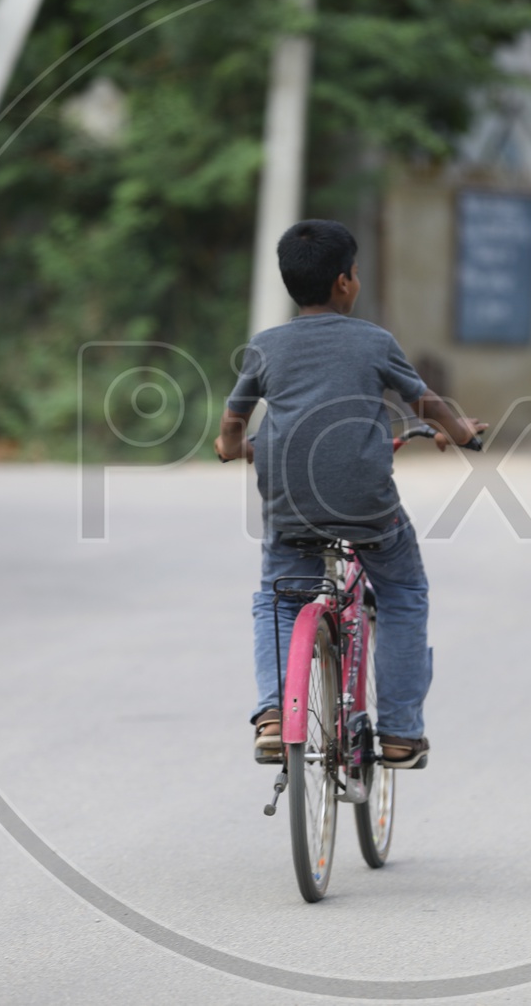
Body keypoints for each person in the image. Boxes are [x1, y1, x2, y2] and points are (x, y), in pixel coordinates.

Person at [216, 219, 486, 769]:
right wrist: (461, 434)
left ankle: (273, 714)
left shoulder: (266, 346)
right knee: (404, 591)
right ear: (344, 283)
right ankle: (401, 734)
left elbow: (233, 417)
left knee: (278, 596)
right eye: (356, 272)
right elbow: (425, 402)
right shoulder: (373, 341)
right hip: (369, 510)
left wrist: (230, 448)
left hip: (290, 508)